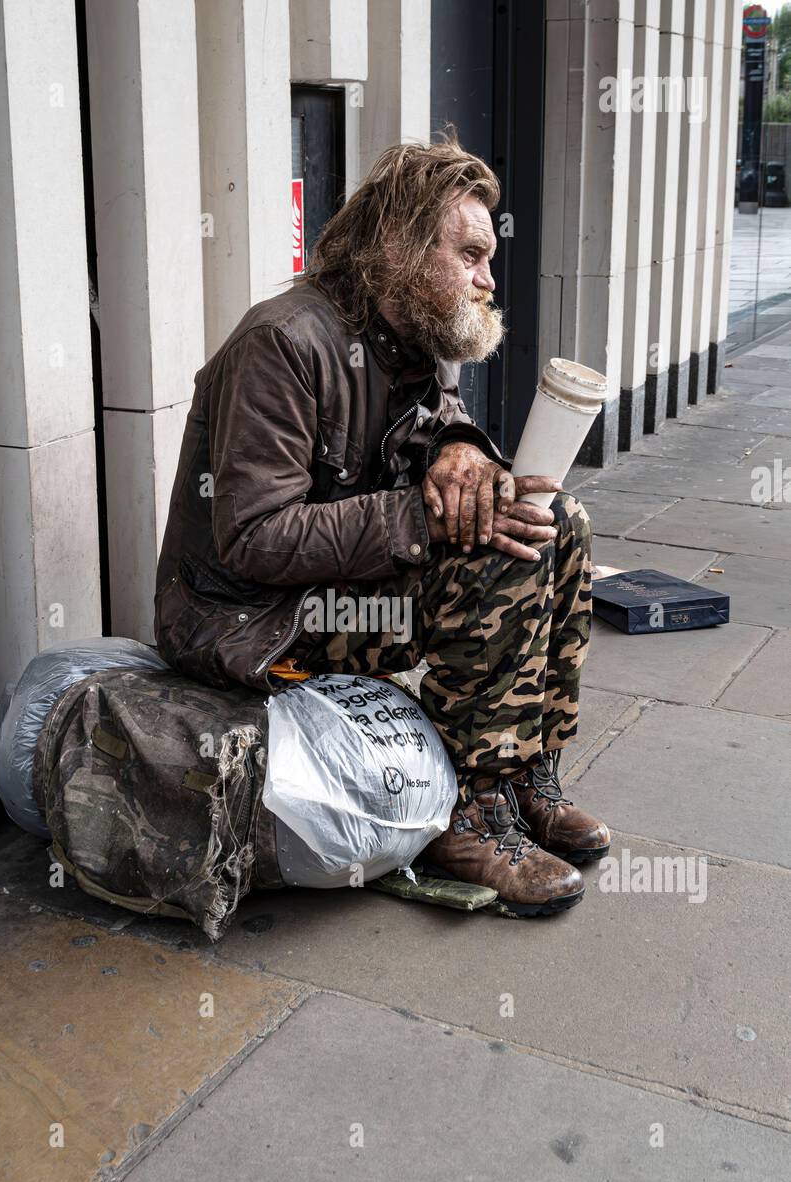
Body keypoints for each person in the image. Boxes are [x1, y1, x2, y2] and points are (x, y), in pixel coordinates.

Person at [155, 129, 609, 917]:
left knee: (556, 521)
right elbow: (254, 538)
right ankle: (468, 812)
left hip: (337, 585)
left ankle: (527, 770)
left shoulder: (414, 335)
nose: (487, 276)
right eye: (468, 254)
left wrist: (464, 450)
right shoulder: (283, 344)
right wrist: (423, 517)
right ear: (400, 247)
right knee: (494, 559)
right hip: (256, 620)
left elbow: (446, 421)